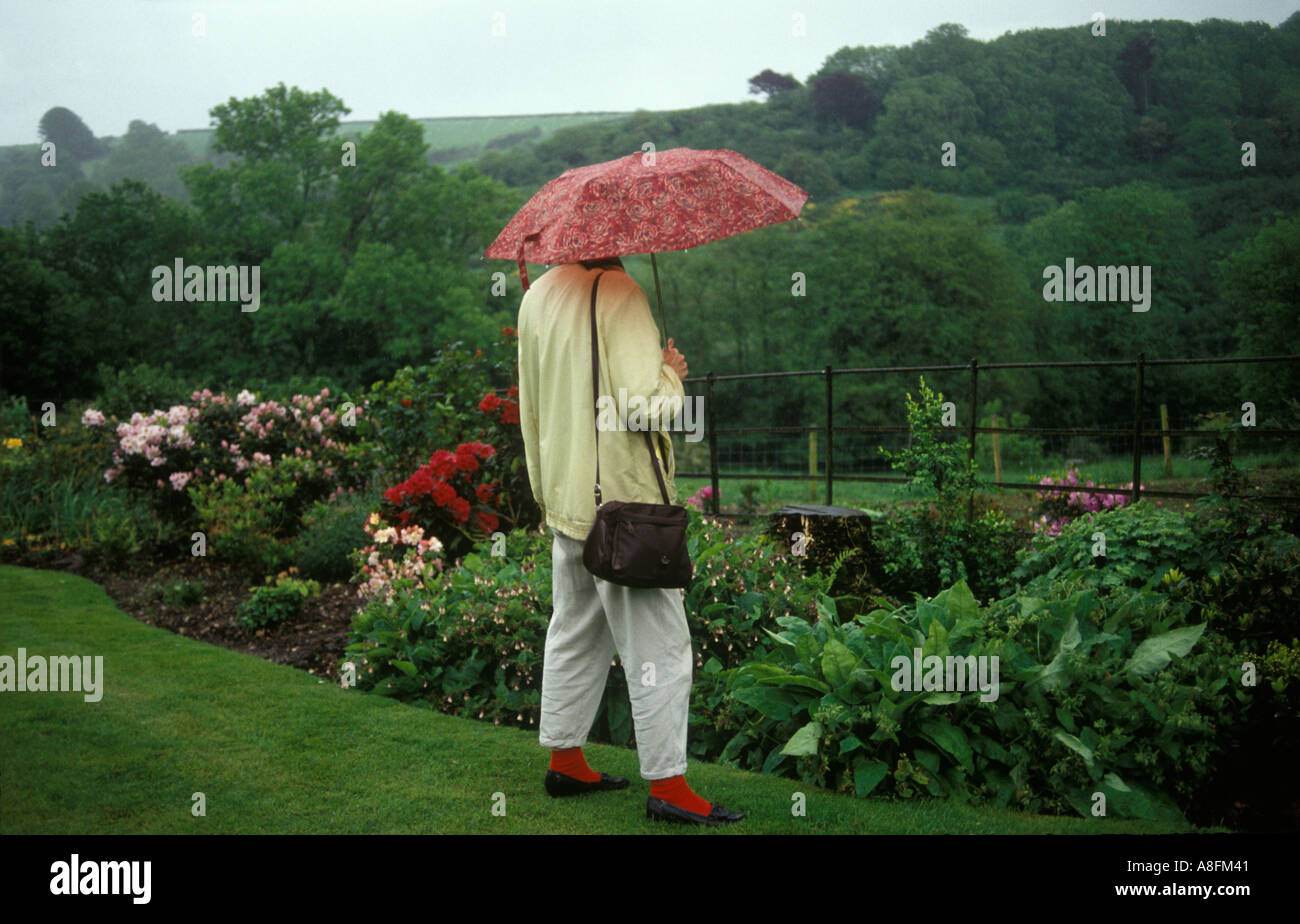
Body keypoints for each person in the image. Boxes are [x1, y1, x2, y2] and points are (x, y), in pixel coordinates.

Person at [515, 254, 744, 827]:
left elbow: (531, 414)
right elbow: (646, 409)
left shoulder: (538, 295)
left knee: (573, 631)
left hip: (569, 502)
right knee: (662, 647)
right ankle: (669, 786)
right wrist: (670, 372)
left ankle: (566, 760)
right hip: (625, 509)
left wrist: (546, 496)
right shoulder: (621, 293)